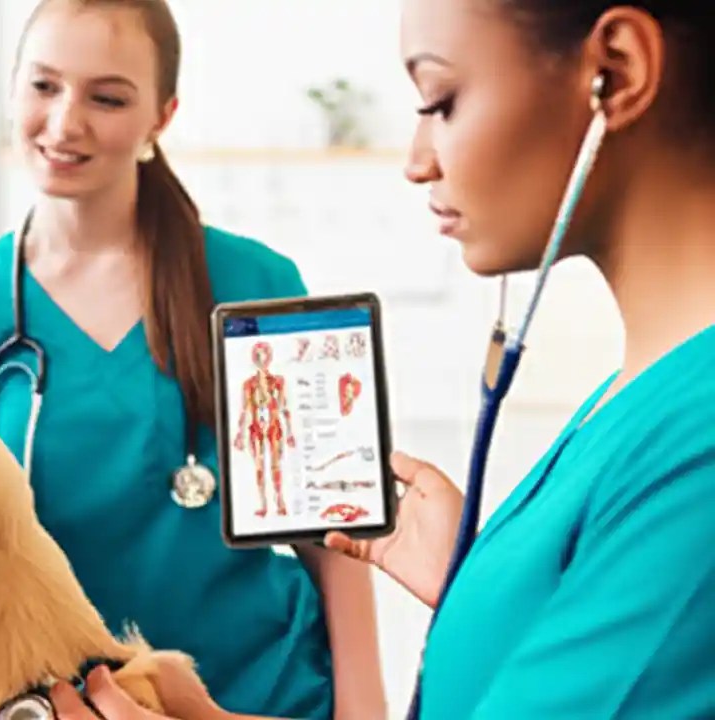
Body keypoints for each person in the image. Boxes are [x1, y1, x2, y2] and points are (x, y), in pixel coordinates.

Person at [50, 0, 715, 718]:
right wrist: (480, 585)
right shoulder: (639, 395)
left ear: (615, 72)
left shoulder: (697, 453)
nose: (415, 160)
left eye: (440, 101)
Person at [0, 1, 386, 718]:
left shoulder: (260, 286)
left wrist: (364, 710)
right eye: (44, 86)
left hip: (269, 696)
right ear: (13, 90)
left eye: (107, 97)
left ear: (162, 115)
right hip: (73, 706)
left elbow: (335, 538)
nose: (66, 122)